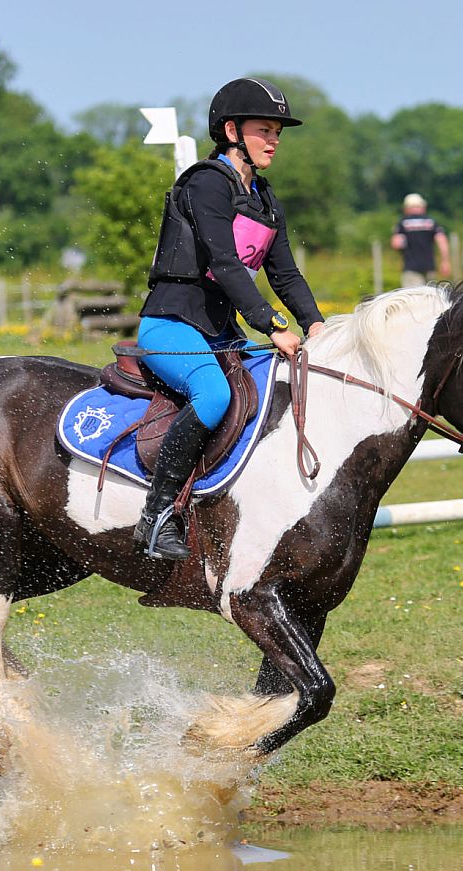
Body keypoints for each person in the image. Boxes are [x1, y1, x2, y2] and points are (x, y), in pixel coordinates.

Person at [135, 77, 326, 561]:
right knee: (215, 394)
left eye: (278, 131)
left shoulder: (263, 196)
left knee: (273, 392)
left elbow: (284, 273)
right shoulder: (205, 184)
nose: (274, 140)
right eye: (265, 129)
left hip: (221, 331)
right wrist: (274, 326)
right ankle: (157, 516)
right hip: (171, 323)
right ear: (231, 131)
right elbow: (224, 263)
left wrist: (316, 323)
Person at [391, 193, 449, 287]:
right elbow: (442, 241)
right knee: (431, 298)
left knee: (413, 299)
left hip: (411, 268)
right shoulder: (431, 222)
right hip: (429, 267)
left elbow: (396, 243)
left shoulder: (403, 223)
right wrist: (445, 261)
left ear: (406, 208)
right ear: (422, 206)